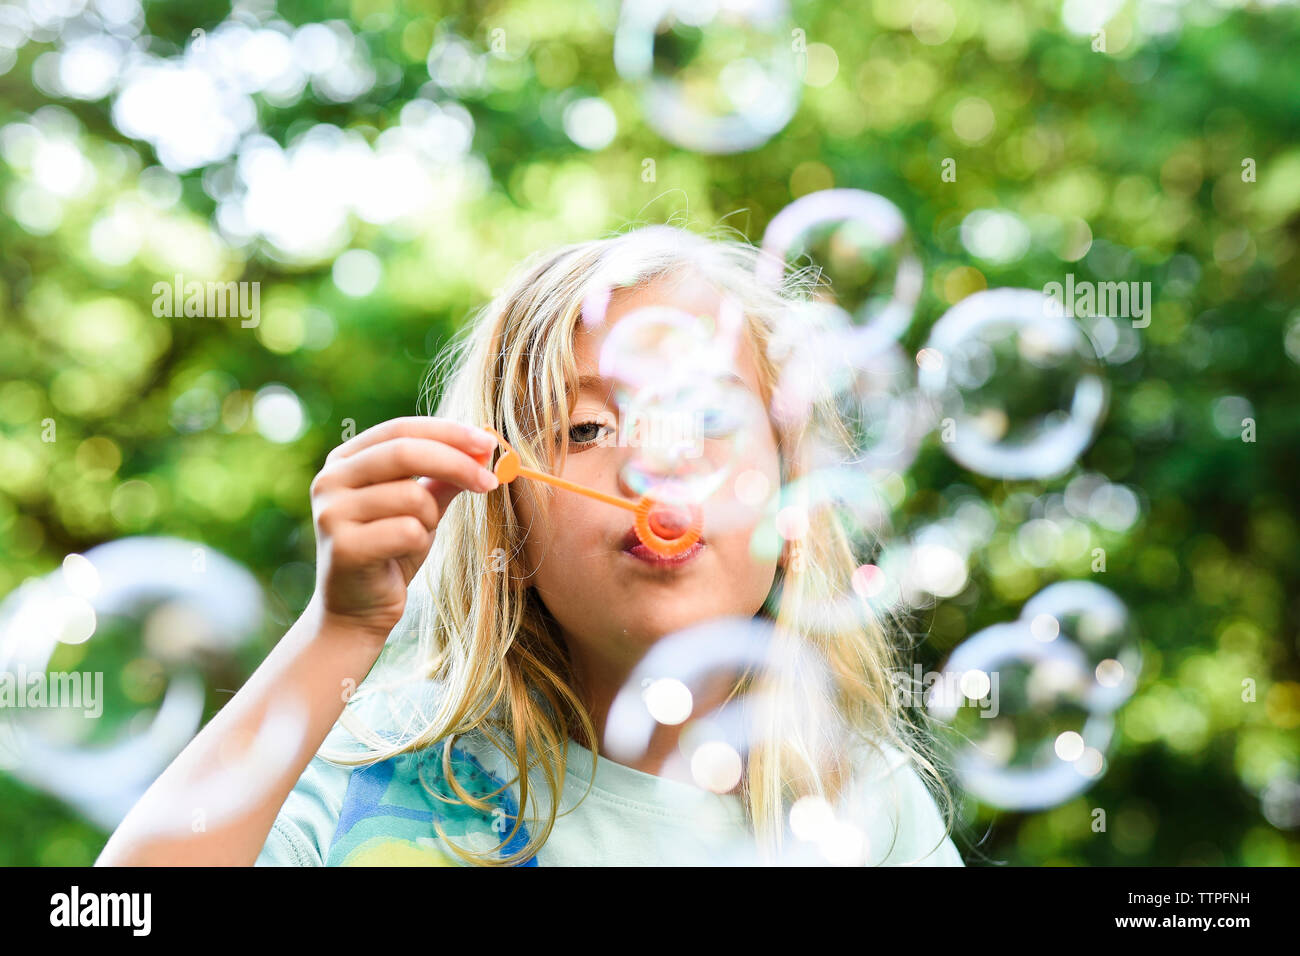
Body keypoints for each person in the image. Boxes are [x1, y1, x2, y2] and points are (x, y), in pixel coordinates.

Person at [97, 225, 963, 867]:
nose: (651, 464)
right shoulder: (380, 771)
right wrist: (340, 632)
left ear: (794, 506)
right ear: (504, 509)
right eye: (586, 426)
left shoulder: (864, 806)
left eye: (707, 417)